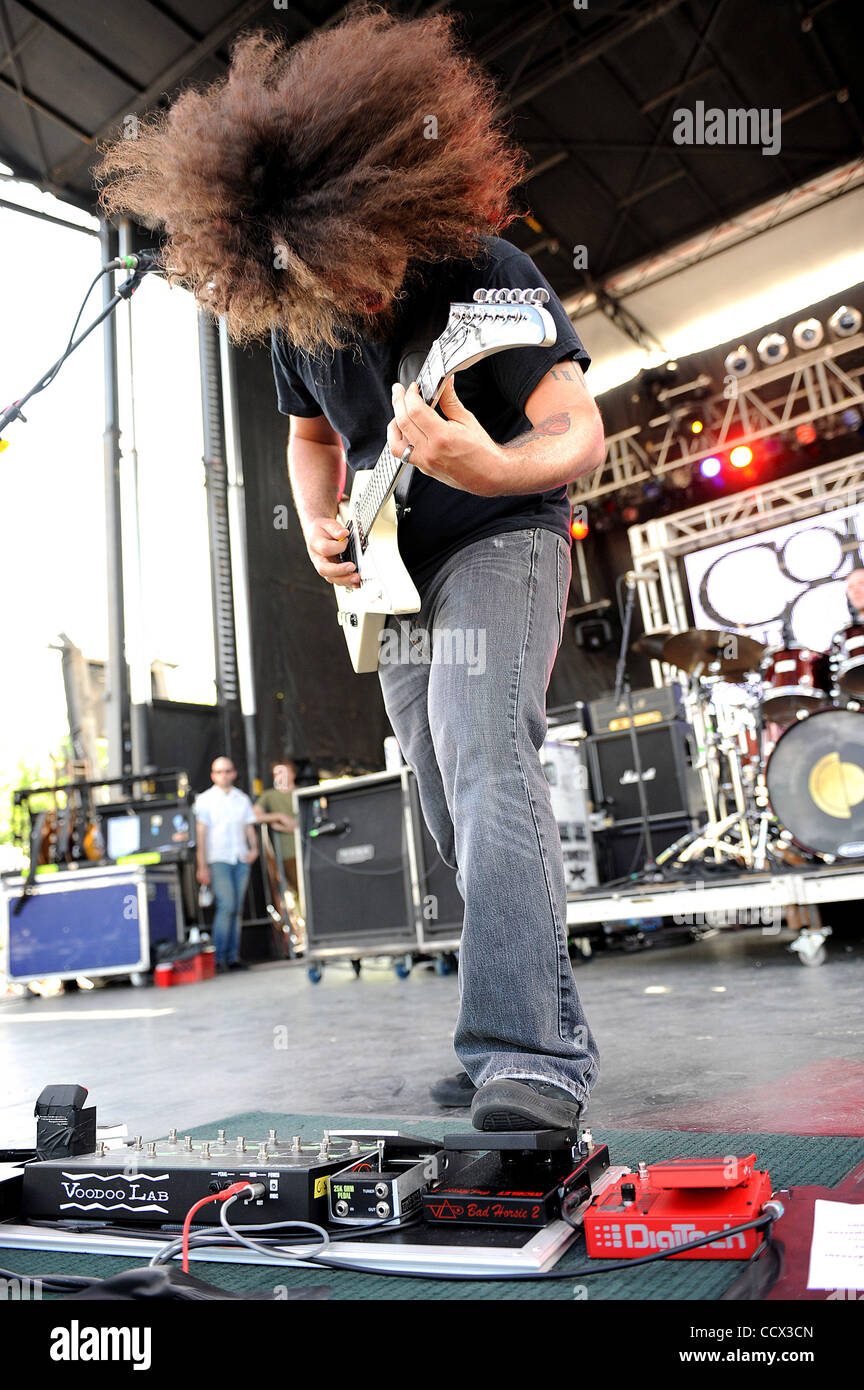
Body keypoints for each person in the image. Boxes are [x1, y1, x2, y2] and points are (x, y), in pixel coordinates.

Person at [95, 8, 603, 1131]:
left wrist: (492, 461)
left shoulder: (486, 272)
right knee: (442, 793)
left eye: (361, 271)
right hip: (393, 572)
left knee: (485, 755)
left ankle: (528, 1054)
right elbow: (311, 437)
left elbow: (578, 429)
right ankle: (527, 1032)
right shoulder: (296, 314)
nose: (352, 302)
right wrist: (320, 522)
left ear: (390, 207)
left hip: (502, 534)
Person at [194, 757, 259, 972]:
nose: (224, 775)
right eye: (219, 772)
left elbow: (249, 827)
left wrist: (254, 849)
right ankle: (218, 957)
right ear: (213, 775)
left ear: (234, 773)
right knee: (227, 905)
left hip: (240, 857)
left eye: (227, 771)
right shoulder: (205, 800)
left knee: (236, 908)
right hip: (218, 858)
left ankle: (232, 957)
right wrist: (202, 865)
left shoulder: (242, 799)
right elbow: (201, 834)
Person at [254, 760, 299, 895]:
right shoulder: (269, 795)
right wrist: (279, 816)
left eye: (283, 772)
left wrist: (286, 827)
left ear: (293, 774)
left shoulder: (302, 792)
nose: (280, 776)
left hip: (310, 849)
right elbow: (254, 815)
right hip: (288, 854)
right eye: (276, 773)